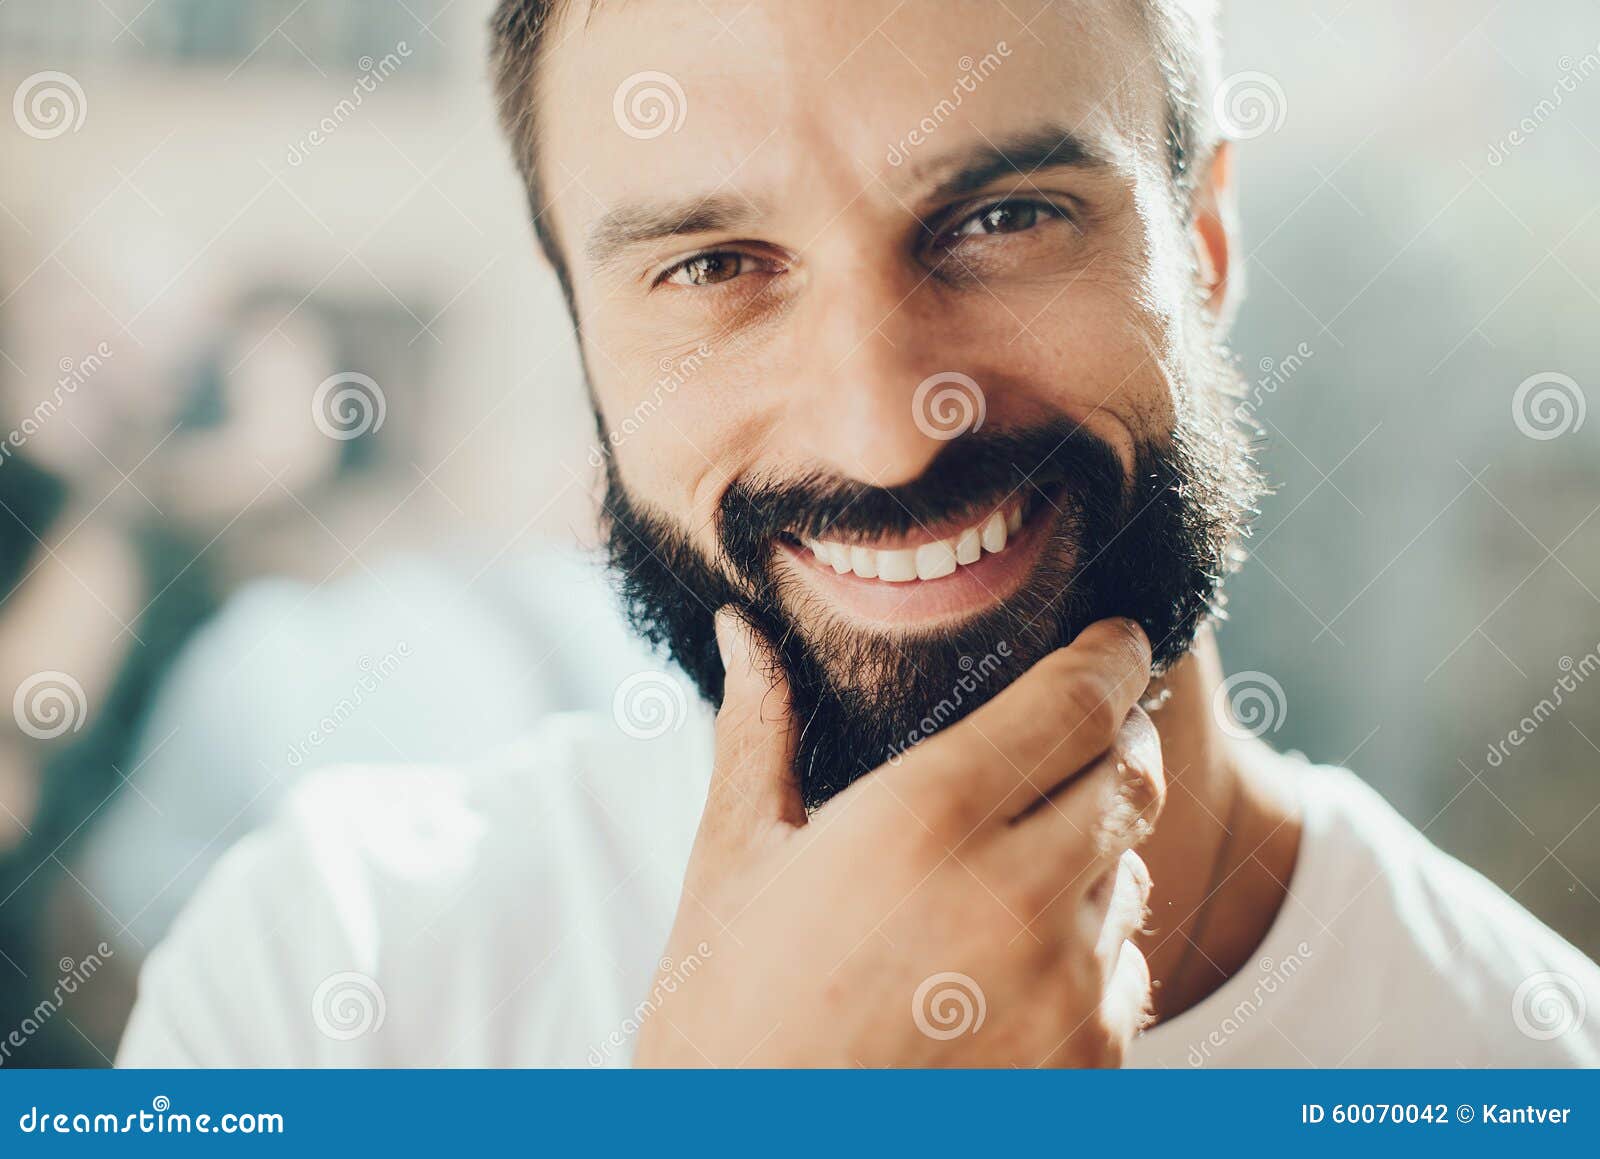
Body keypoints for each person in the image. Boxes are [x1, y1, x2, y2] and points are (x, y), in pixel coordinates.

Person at [117, 0, 1600, 1067]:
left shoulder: (1527, 1071)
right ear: (583, 335)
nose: (890, 426)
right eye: (715, 265)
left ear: (1202, 247)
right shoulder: (321, 986)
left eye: (1005, 217)